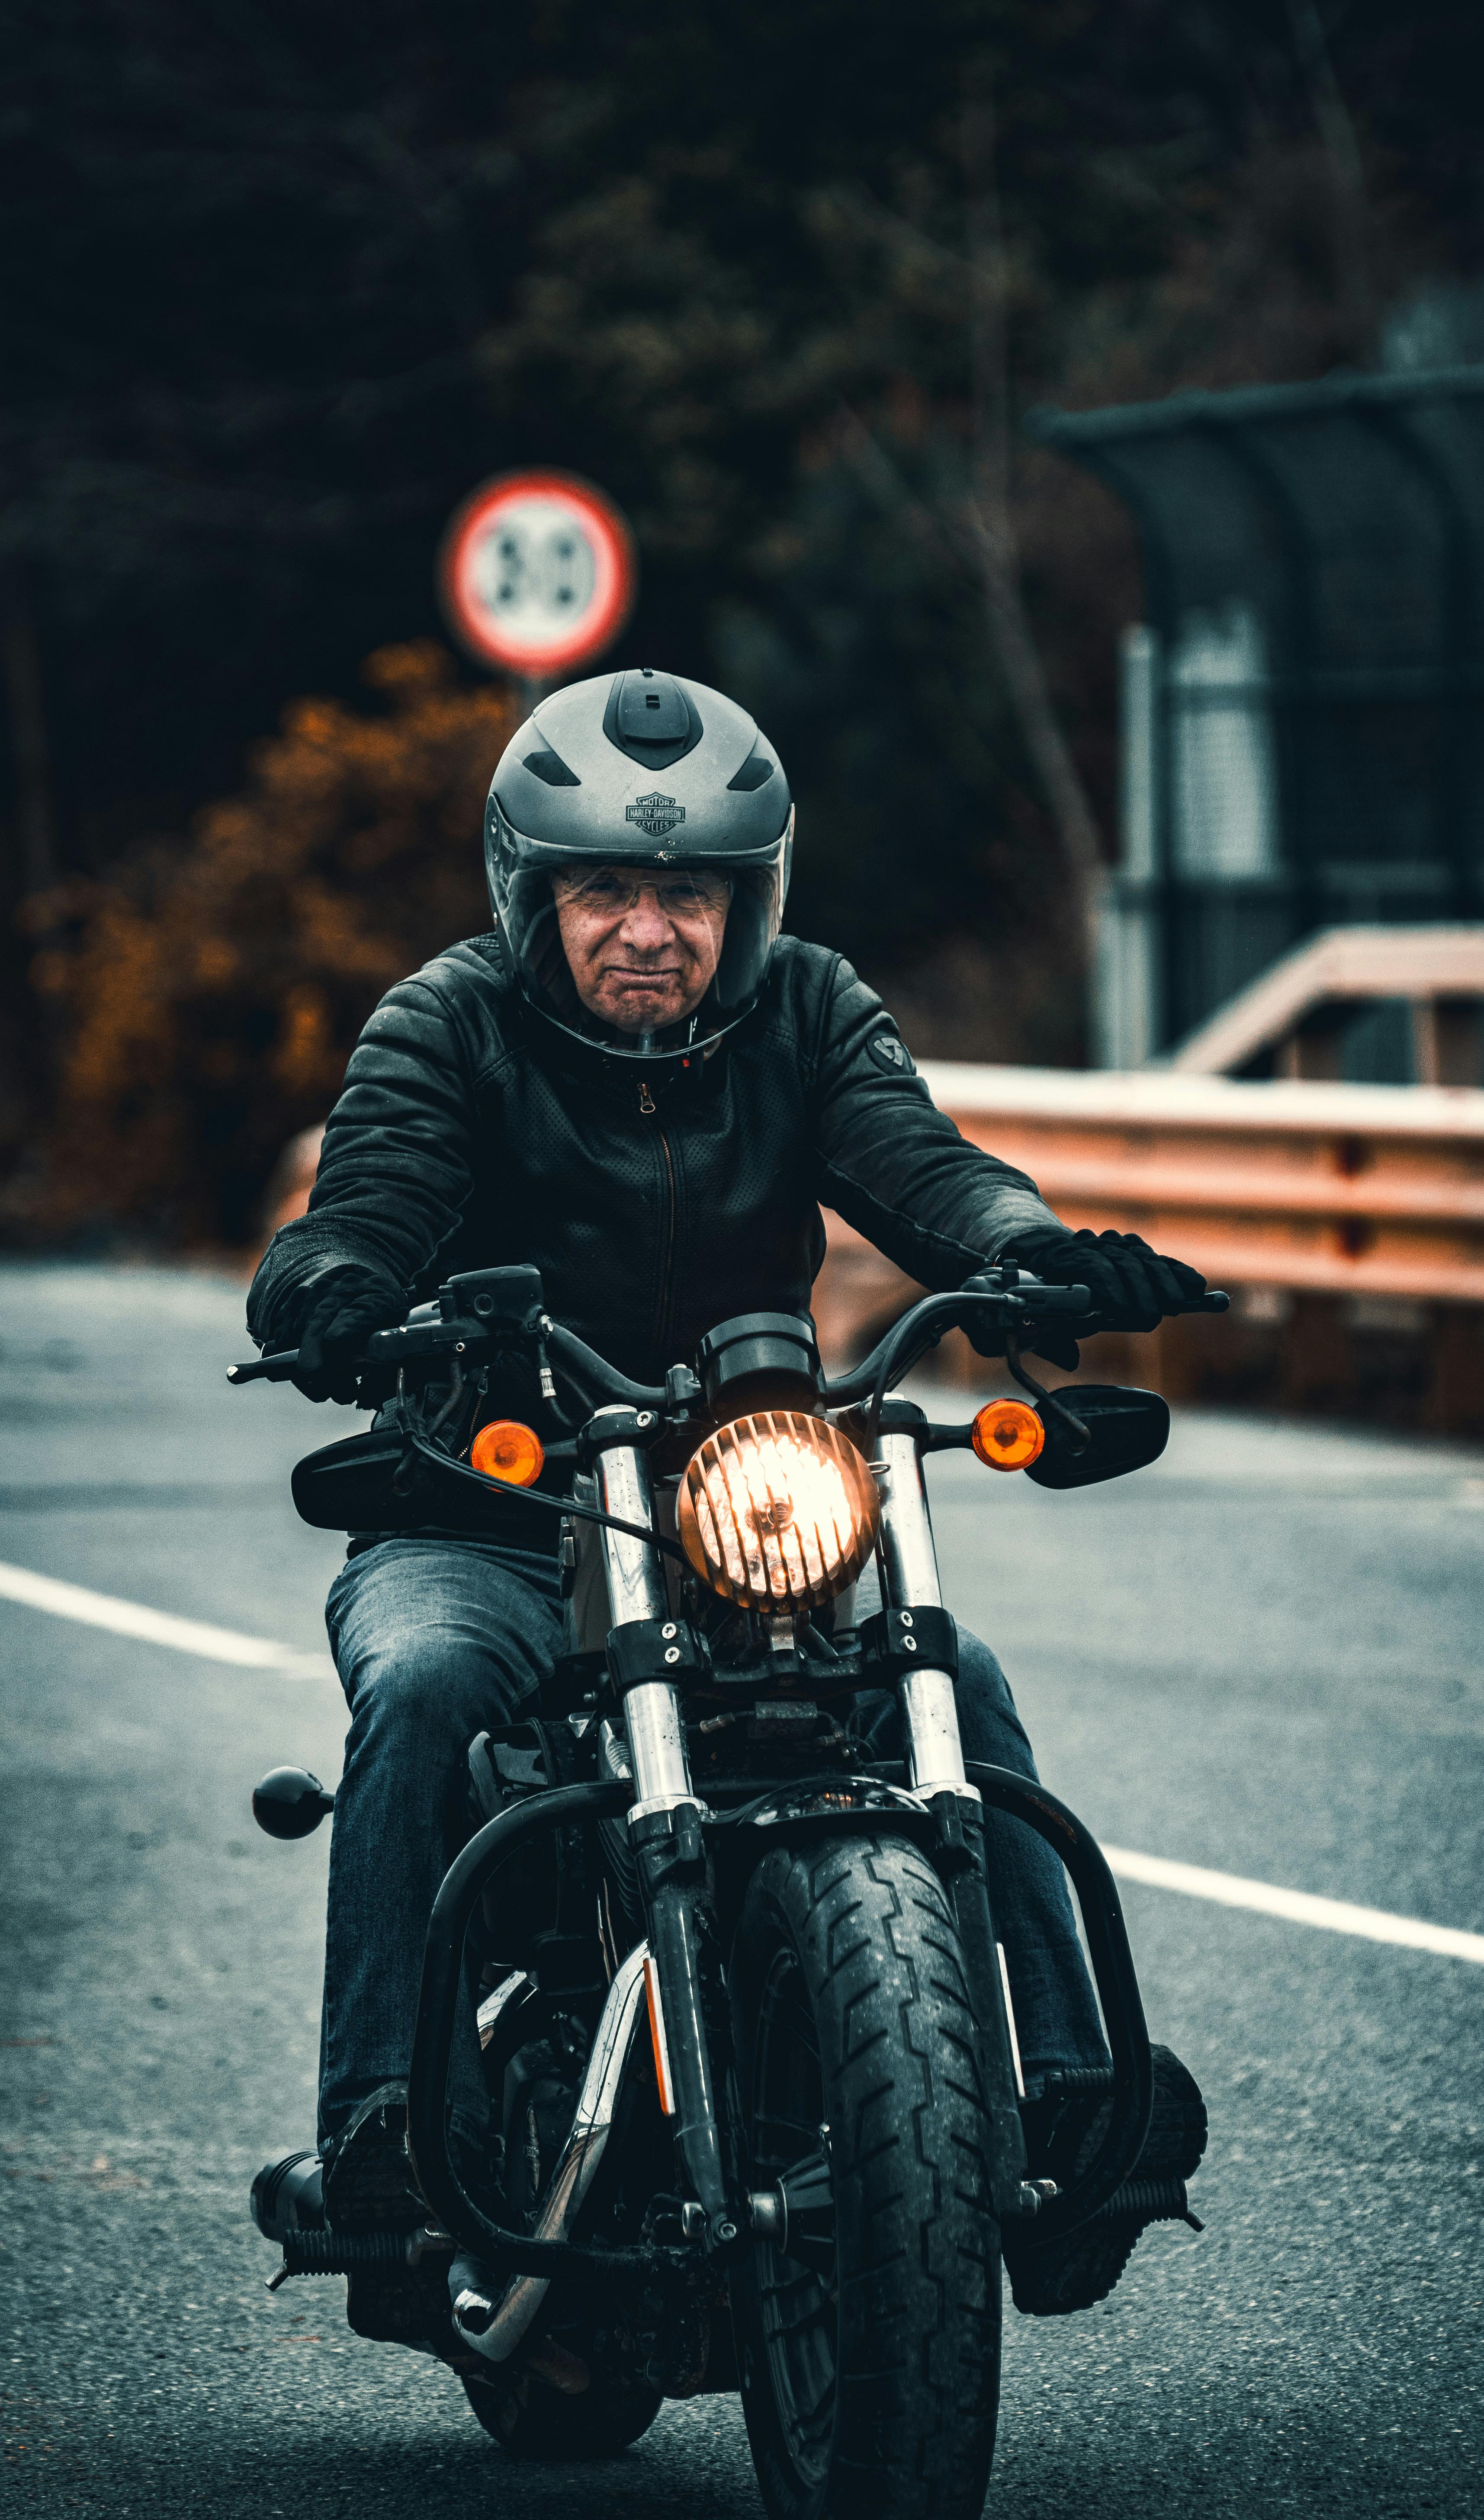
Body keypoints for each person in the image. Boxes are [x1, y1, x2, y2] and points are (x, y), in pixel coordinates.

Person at [244, 665, 1208, 2307]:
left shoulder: (809, 1012)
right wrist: (336, 1285)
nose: (647, 930)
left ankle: (1073, 2096)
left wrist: (1033, 1254)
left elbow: (926, 1166)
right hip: (491, 1505)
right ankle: (383, 2128)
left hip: (739, 1513)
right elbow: (373, 1198)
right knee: (420, 1686)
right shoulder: (447, 1021)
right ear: (530, 896)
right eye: (605, 889)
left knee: (948, 1676)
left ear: (746, 905)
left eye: (688, 893)